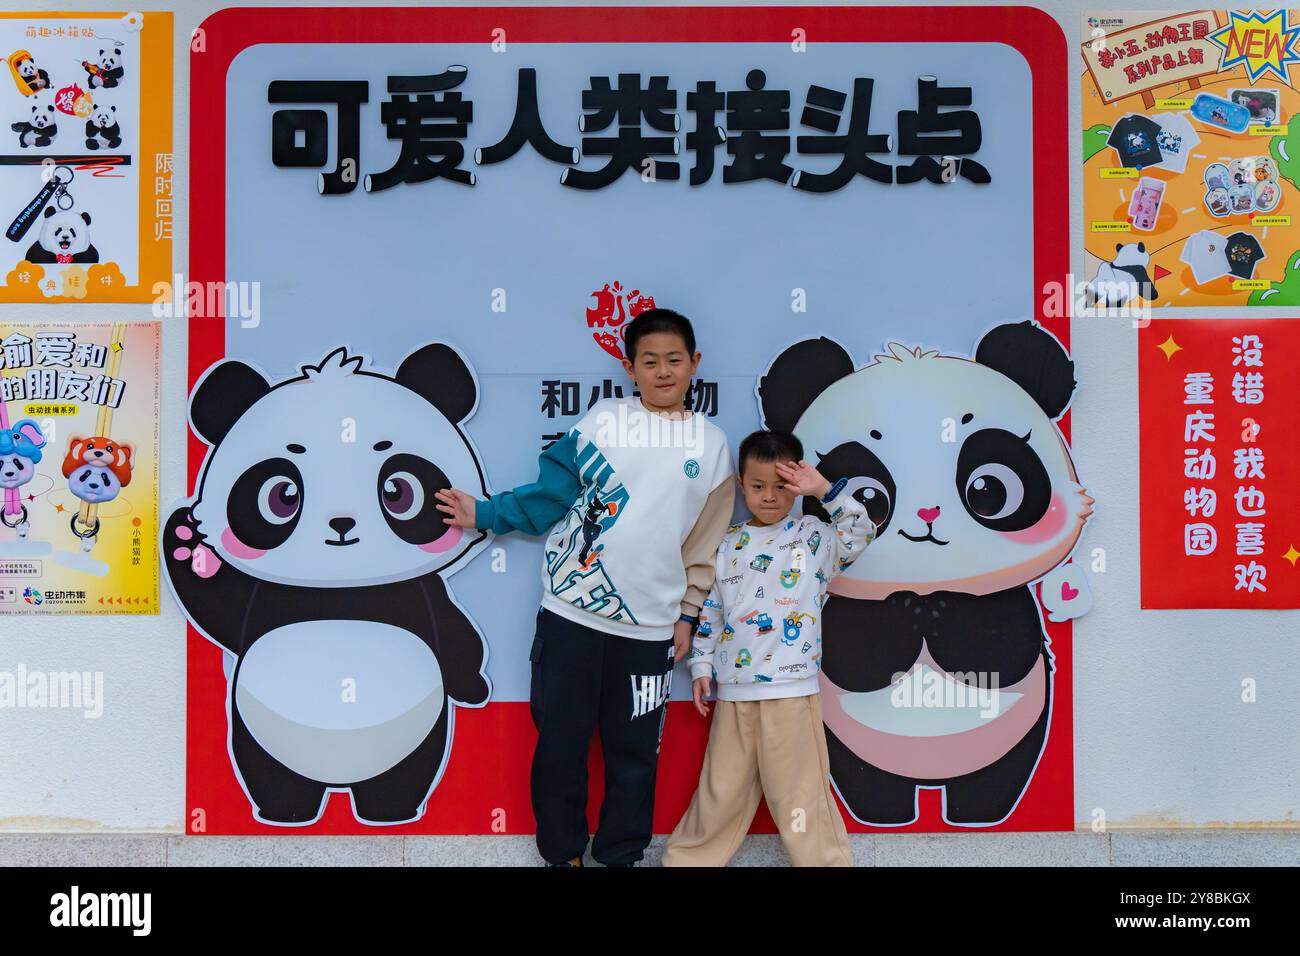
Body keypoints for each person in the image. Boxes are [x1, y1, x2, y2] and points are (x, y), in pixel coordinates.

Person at [436, 308, 734, 866]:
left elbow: (704, 546)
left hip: (649, 630)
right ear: (629, 368)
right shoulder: (603, 422)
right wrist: (488, 513)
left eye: (674, 360)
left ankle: (621, 856)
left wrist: (688, 615)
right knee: (560, 746)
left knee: (635, 757)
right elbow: (551, 494)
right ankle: (563, 854)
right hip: (570, 618)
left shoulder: (713, 446)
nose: (663, 371)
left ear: (695, 363)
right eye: (650, 361)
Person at [661, 429, 876, 867]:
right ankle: (687, 861)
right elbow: (712, 609)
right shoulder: (727, 542)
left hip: (791, 694)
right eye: (758, 486)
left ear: (797, 483)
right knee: (720, 791)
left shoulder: (815, 538)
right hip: (734, 694)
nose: (770, 496)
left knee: (800, 795)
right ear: (742, 485)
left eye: (782, 486)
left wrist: (824, 490)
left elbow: (861, 532)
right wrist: (701, 665)